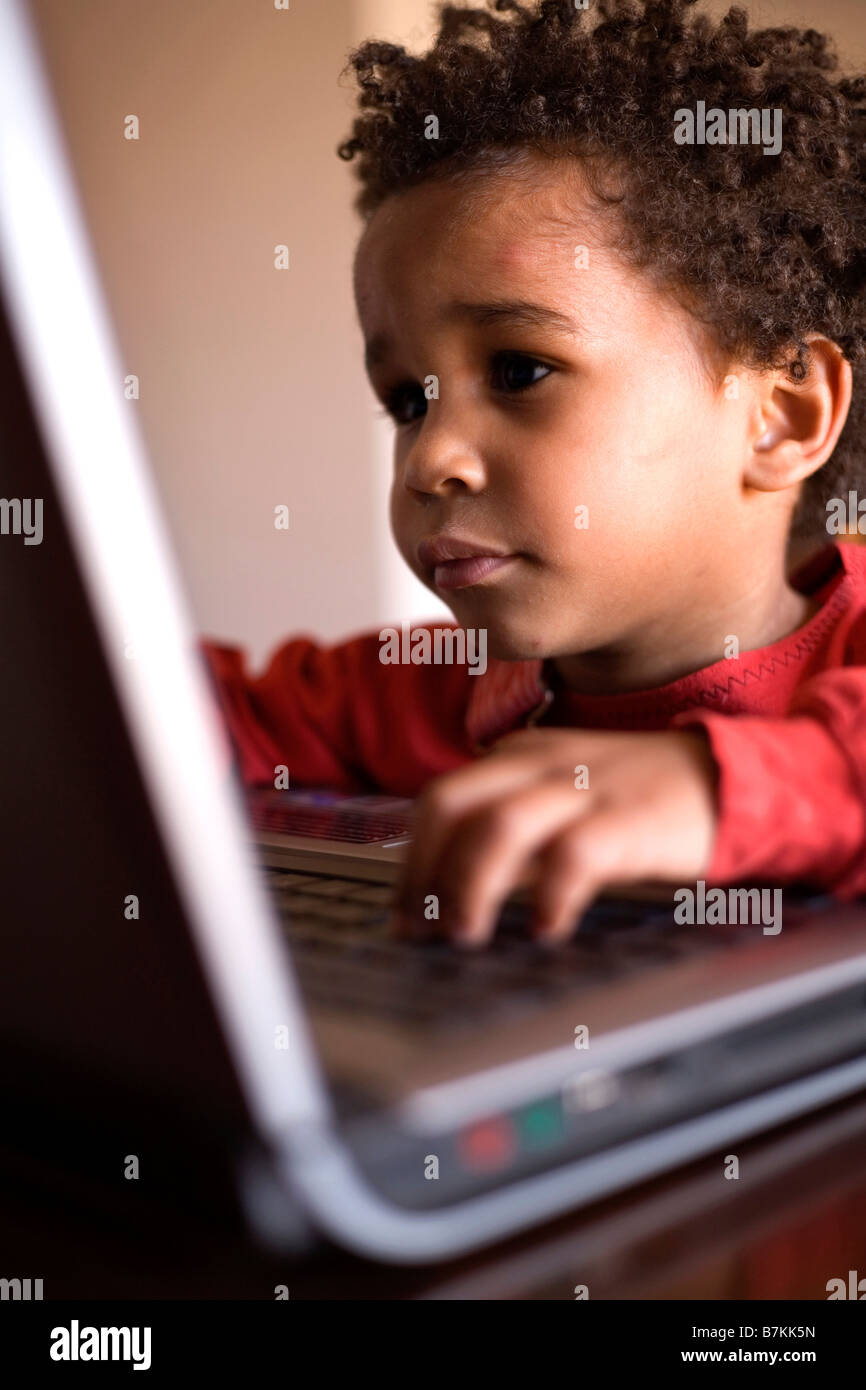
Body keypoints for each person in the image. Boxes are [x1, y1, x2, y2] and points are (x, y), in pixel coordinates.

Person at [202, 0, 866, 947]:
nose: (431, 458)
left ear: (781, 417)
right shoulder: (438, 688)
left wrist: (712, 789)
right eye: (407, 401)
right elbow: (170, 717)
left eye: (519, 372)